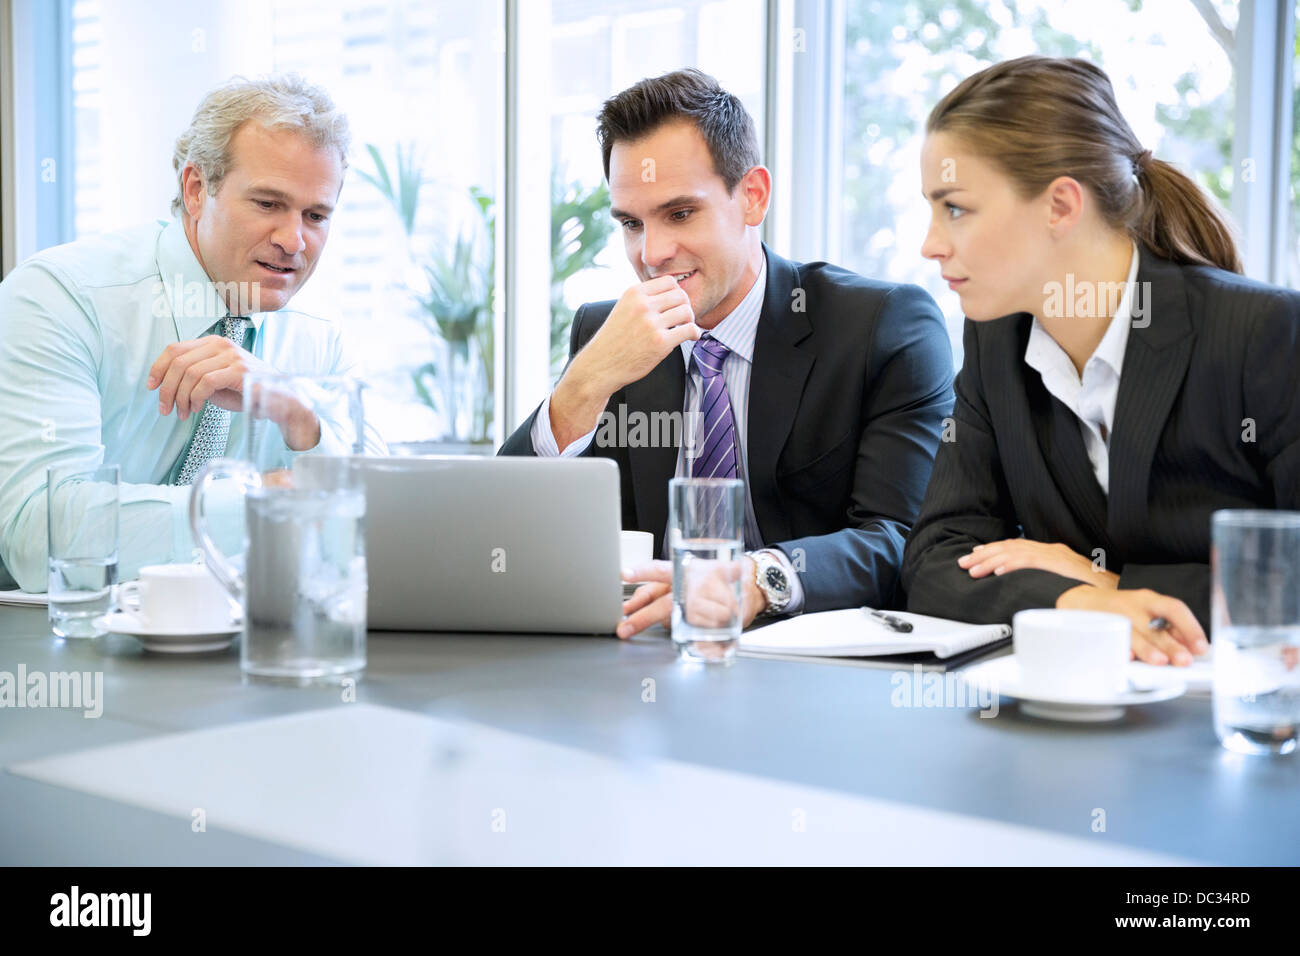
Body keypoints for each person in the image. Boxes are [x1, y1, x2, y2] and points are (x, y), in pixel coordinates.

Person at [500, 69, 954, 637]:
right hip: (644, 668)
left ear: (753, 198)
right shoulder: (606, 332)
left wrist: (758, 580)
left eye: (680, 213)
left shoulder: (881, 327)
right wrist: (582, 386)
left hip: (815, 672)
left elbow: (901, 539)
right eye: (631, 223)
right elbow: (502, 534)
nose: (653, 253)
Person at [902, 55, 1300, 666]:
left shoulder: (1265, 333)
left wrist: (1108, 586)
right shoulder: (994, 343)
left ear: (1060, 206)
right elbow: (937, 559)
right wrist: (1077, 602)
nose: (931, 243)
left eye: (954, 207)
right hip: (1069, 720)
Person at [0, 73, 387, 592]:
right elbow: (40, 538)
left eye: (315, 215)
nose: (294, 240)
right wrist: (266, 503)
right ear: (197, 189)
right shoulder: (61, 297)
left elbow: (380, 521)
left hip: (242, 650)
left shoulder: (319, 340)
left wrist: (299, 413)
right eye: (268, 203)